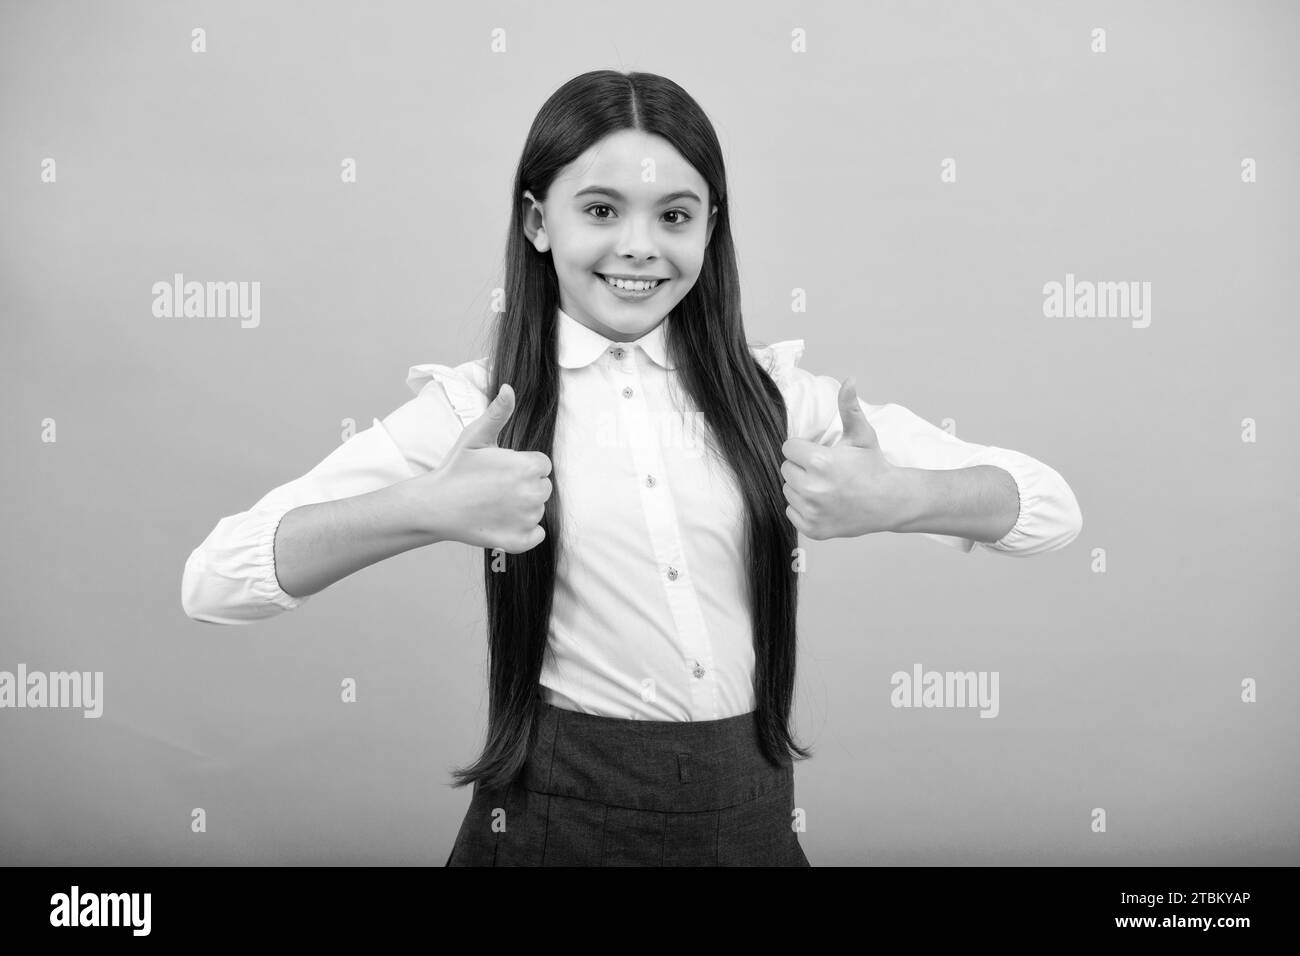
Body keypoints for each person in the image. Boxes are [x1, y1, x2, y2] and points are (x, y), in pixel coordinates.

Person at [181, 70, 1083, 867]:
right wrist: (425, 507)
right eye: (601, 210)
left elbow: (1049, 510)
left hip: (749, 816)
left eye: (675, 216)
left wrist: (906, 499)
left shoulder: (778, 399)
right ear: (539, 222)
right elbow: (215, 580)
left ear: (710, 229)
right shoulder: (474, 412)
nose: (641, 246)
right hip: (550, 823)